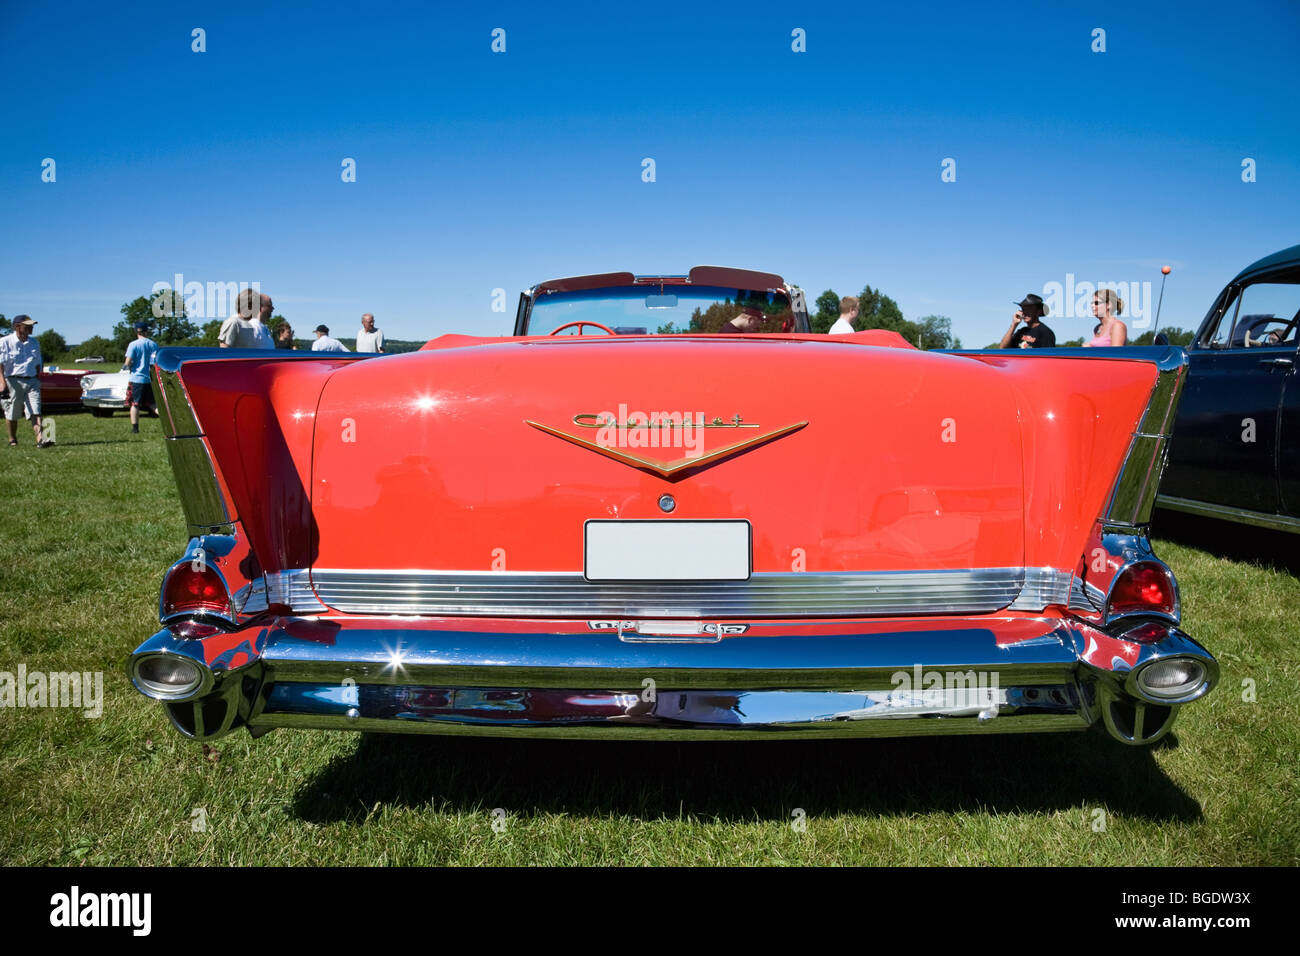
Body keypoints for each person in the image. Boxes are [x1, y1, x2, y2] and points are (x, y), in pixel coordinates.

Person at [0, 315, 53, 448]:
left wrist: (37, 376)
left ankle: (41, 439)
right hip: (13, 380)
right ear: (17, 327)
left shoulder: (34, 342)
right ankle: (12, 439)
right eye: (27, 326)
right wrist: (2, 383)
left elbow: (37, 362)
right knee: (12, 412)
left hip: (32, 380)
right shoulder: (4, 342)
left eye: (32, 325)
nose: (31, 328)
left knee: (36, 409)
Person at [122, 322, 160, 433]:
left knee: (135, 404)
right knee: (153, 404)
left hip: (136, 378)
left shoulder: (133, 345)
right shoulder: (153, 344)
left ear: (136, 331)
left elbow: (128, 362)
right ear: (146, 331)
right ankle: (170, 423)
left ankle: (135, 429)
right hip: (149, 378)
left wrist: (125, 367)